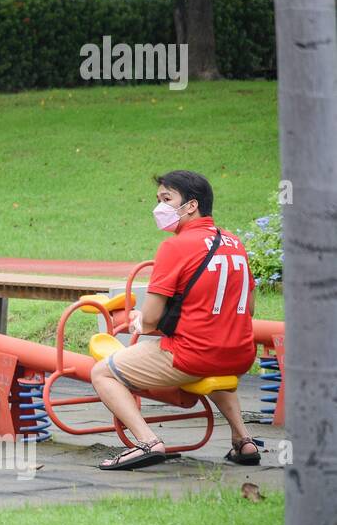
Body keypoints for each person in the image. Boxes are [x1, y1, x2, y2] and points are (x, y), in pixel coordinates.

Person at [92, 170, 261, 470]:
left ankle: (146, 441)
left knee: (102, 372)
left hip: (191, 355)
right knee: (213, 353)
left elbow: (152, 318)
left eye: (167, 199)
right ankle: (243, 440)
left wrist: (138, 320)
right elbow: (248, 308)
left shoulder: (175, 246)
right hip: (241, 354)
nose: (160, 207)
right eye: (158, 200)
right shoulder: (235, 243)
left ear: (191, 205)